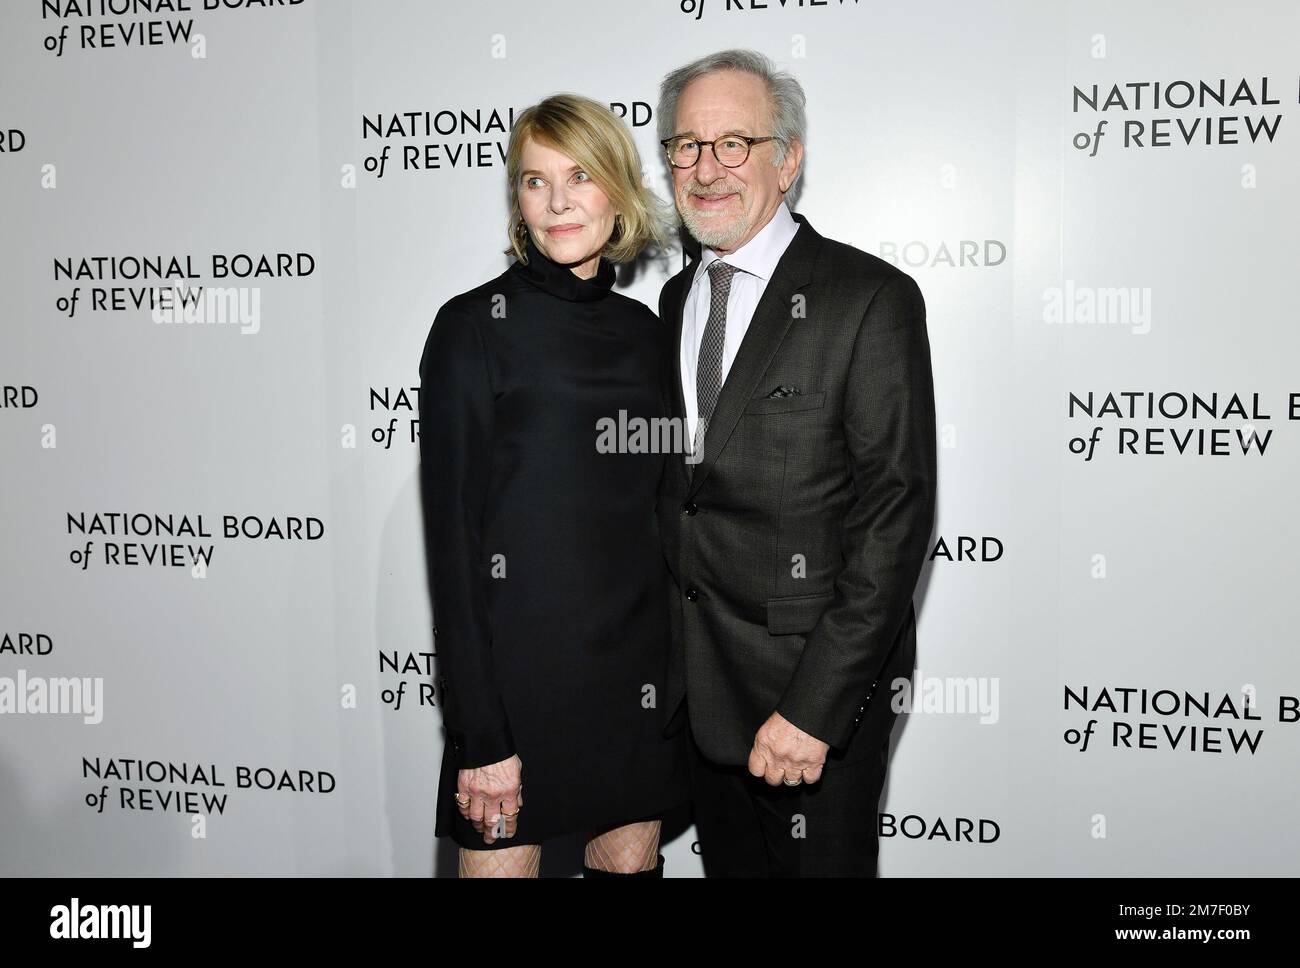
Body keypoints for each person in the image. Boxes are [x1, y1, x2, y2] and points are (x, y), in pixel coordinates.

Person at [654, 50, 938, 877]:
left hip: (811, 714)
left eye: (735, 143)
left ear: (789, 159)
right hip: (699, 704)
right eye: (686, 146)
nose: (707, 170)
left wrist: (814, 712)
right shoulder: (675, 300)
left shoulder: (868, 300)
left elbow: (895, 518)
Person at [418, 93, 688, 878]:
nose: (560, 200)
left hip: (636, 683)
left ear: (619, 190)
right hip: (519, 692)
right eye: (535, 182)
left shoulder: (648, 334)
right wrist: (481, 734)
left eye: (579, 176)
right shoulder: (473, 327)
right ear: (518, 201)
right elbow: (453, 545)